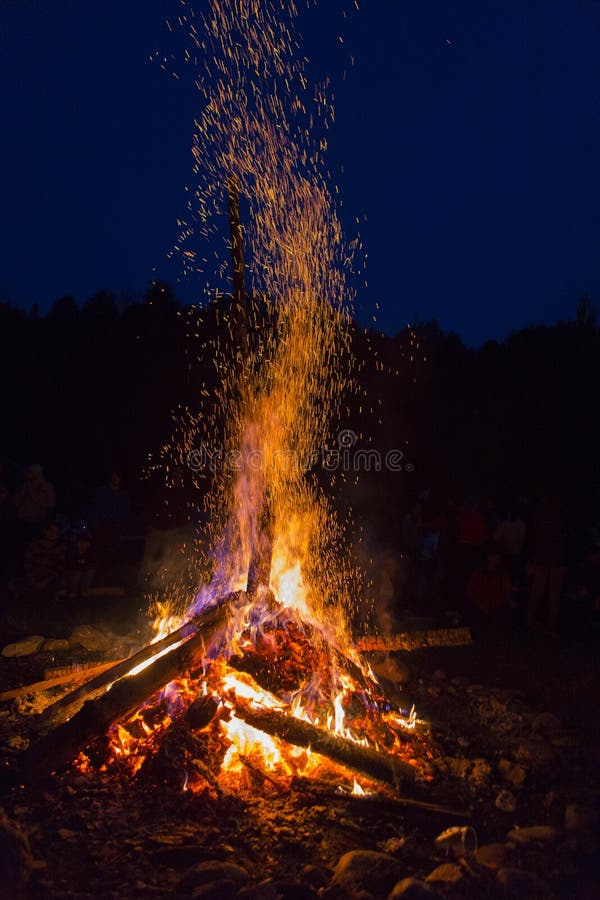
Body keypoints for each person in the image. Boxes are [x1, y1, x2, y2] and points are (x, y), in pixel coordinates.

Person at [527, 494, 566, 633]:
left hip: (545, 560)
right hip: (554, 561)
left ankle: (533, 621)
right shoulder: (560, 521)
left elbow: (535, 541)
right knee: (551, 595)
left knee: (538, 592)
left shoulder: (541, 521)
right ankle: (549, 625)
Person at [17, 522, 66, 596]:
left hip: (50, 576)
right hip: (35, 574)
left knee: (61, 584)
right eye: (51, 530)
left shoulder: (60, 547)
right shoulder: (34, 545)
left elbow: (60, 566)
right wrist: (32, 578)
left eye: (56, 532)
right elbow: (27, 562)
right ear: (45, 531)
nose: (53, 533)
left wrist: (46, 580)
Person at [465, 545, 510, 616]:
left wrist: (492, 606)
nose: (495, 559)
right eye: (493, 556)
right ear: (488, 557)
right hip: (476, 608)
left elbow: (504, 593)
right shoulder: (478, 572)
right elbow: (469, 590)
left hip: (495, 611)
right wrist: (479, 603)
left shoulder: (502, 576)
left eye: (497, 557)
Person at [15, 464, 56, 534]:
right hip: (21, 520)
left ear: (36, 473)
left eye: (30, 472)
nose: (27, 474)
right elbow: (17, 501)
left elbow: (49, 504)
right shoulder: (25, 485)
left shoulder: (47, 487)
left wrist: (33, 491)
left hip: (36, 522)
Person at [66, 532, 94, 599]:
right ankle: (72, 592)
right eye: (81, 542)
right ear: (77, 543)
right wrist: (80, 565)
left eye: (86, 543)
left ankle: (84, 591)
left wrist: (83, 565)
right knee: (77, 572)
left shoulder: (89, 553)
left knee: (90, 571)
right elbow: (70, 564)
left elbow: (90, 564)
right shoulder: (72, 552)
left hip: (83, 571)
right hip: (72, 572)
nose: (83, 544)